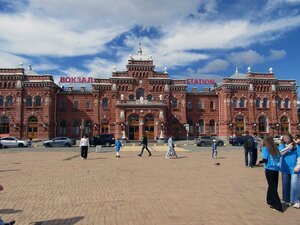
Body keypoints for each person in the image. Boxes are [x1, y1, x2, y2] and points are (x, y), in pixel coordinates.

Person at [259, 135, 283, 212]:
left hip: (269, 169)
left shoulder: (265, 148)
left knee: (272, 187)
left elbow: (265, 159)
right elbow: (279, 157)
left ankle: (277, 206)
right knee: (273, 186)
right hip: (276, 169)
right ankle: (270, 200)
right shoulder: (276, 147)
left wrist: (260, 162)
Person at [279, 132, 300, 208]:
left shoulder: (297, 146)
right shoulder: (282, 146)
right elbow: (280, 153)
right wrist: (288, 148)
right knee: (285, 184)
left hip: (294, 169)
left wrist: (298, 166)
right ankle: (286, 199)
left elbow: (299, 156)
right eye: (284, 138)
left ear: (290, 138)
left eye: (287, 138)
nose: (286, 140)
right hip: (285, 168)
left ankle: (295, 200)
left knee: (294, 184)